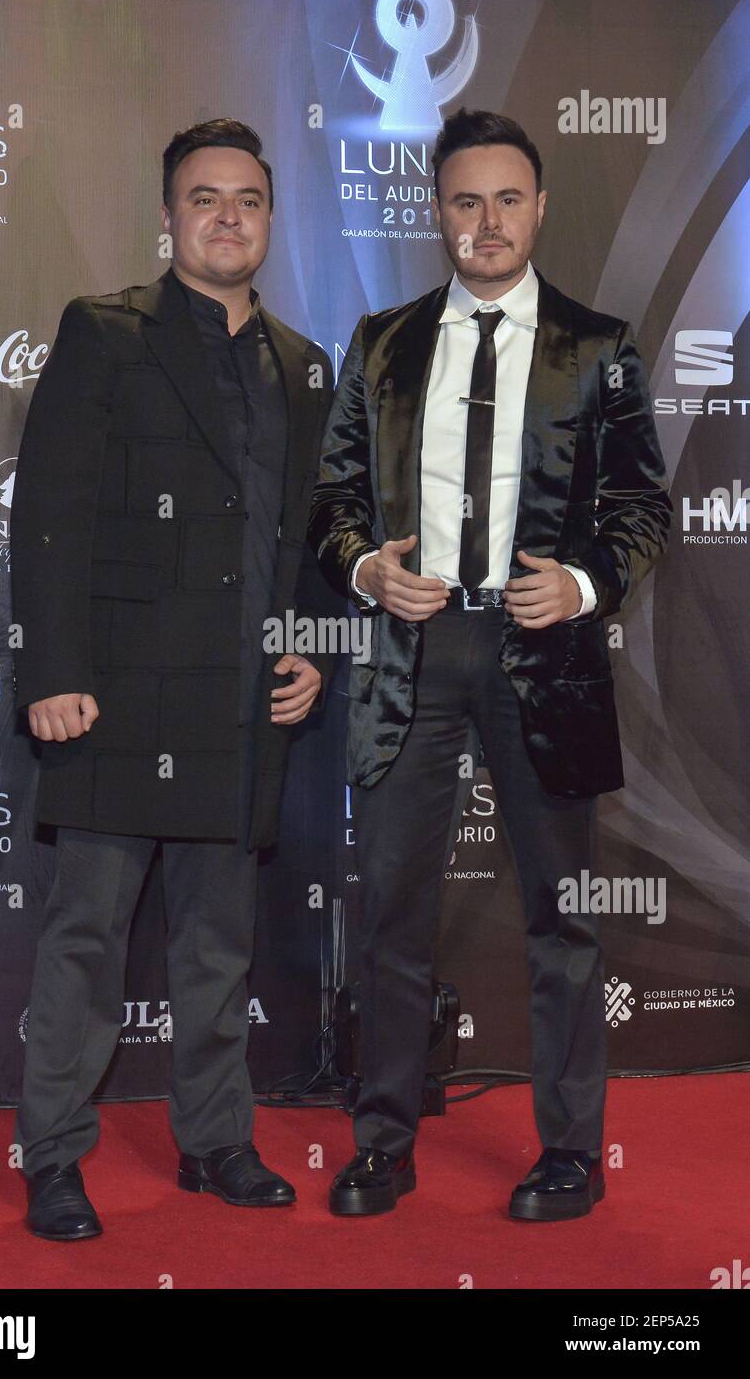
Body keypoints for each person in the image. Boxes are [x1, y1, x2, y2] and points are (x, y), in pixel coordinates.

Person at [308, 107, 672, 1220]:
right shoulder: (378, 342)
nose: (486, 221)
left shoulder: (598, 346)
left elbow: (639, 504)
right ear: (436, 214)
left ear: (539, 206)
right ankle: (382, 1141)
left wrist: (581, 586)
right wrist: (368, 568)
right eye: (464, 201)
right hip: (411, 651)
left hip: (543, 651)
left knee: (562, 916)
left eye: (506, 198)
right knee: (394, 913)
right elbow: (328, 506)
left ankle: (569, 1150)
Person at [10, 118, 337, 1240]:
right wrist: (53, 669)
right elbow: (45, 512)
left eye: (247, 199)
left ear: (268, 217)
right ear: (167, 214)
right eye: (204, 198)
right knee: (85, 944)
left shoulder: (303, 365)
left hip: (241, 707)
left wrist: (306, 642)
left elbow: (303, 537)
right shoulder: (105, 333)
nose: (227, 217)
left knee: (216, 945)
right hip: (113, 696)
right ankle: (52, 1155)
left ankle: (216, 1142)